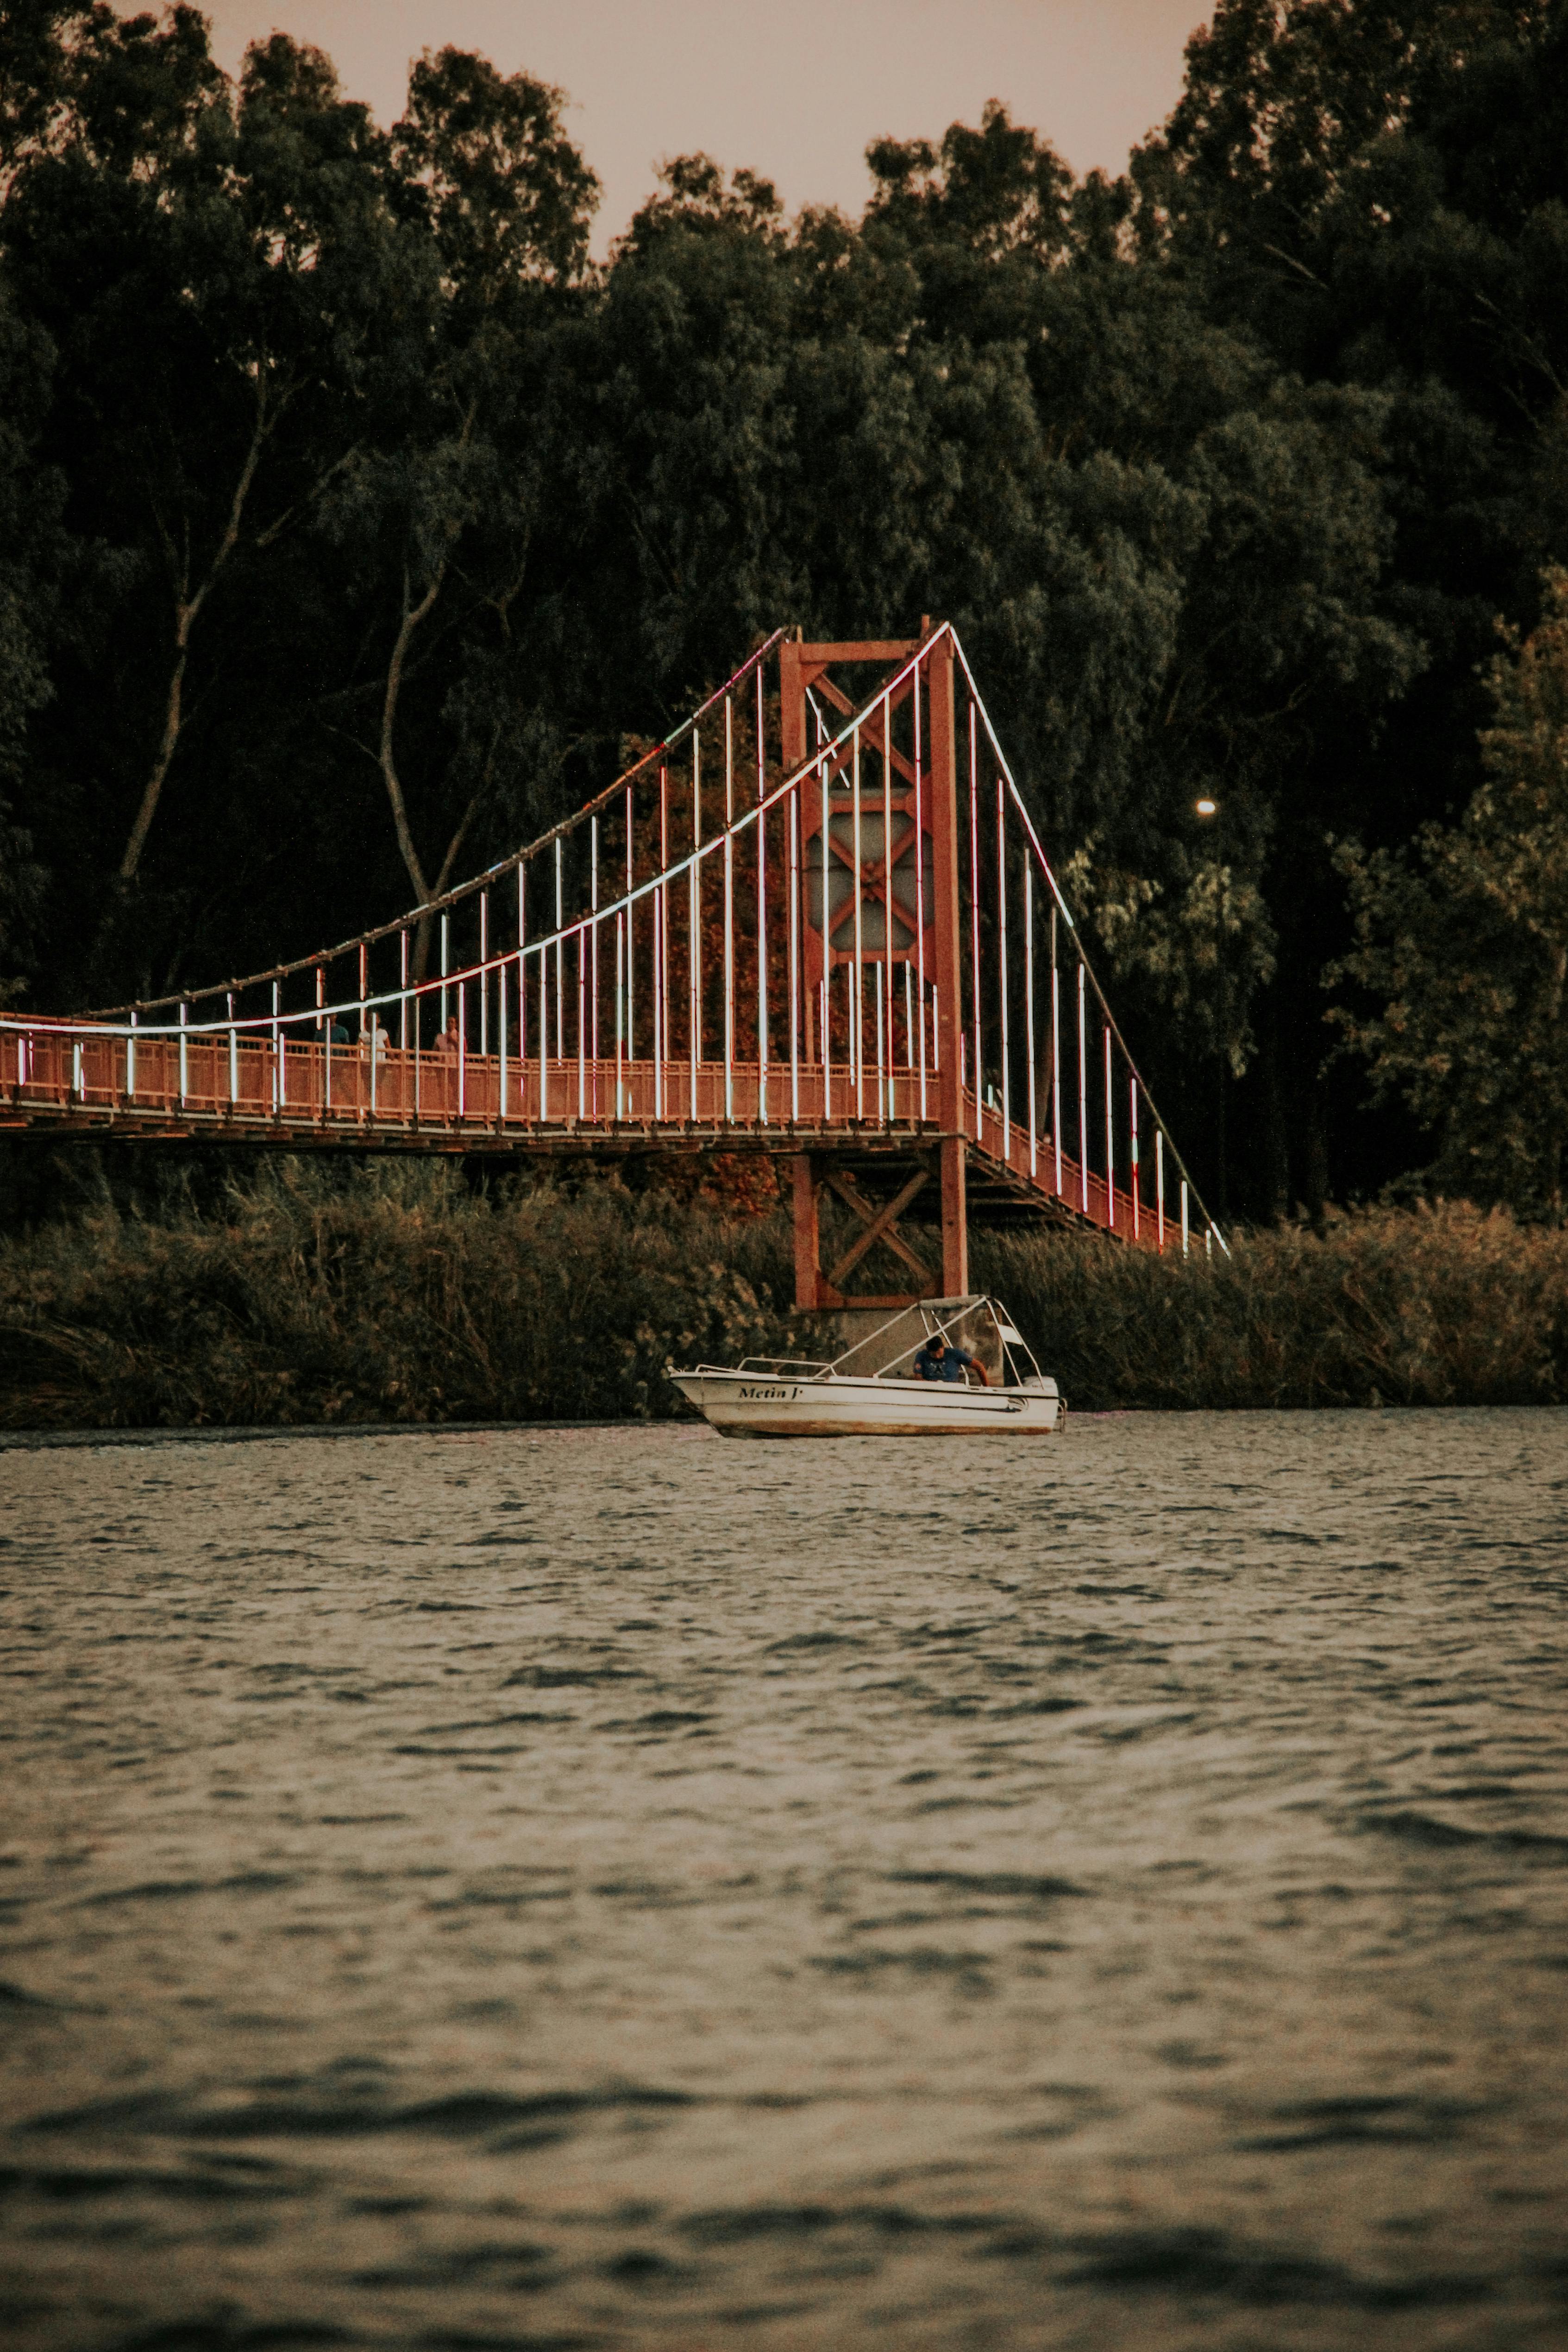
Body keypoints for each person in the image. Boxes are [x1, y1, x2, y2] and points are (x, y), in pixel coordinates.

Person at [912, 1330, 988, 1385]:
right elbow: (918, 1377)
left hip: (952, 1389)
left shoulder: (955, 1354)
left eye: (939, 1353)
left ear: (943, 1347)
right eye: (933, 1355)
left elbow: (979, 1366)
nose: (937, 1357)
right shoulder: (922, 1356)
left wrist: (986, 1387)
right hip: (929, 1388)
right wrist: (934, 1384)